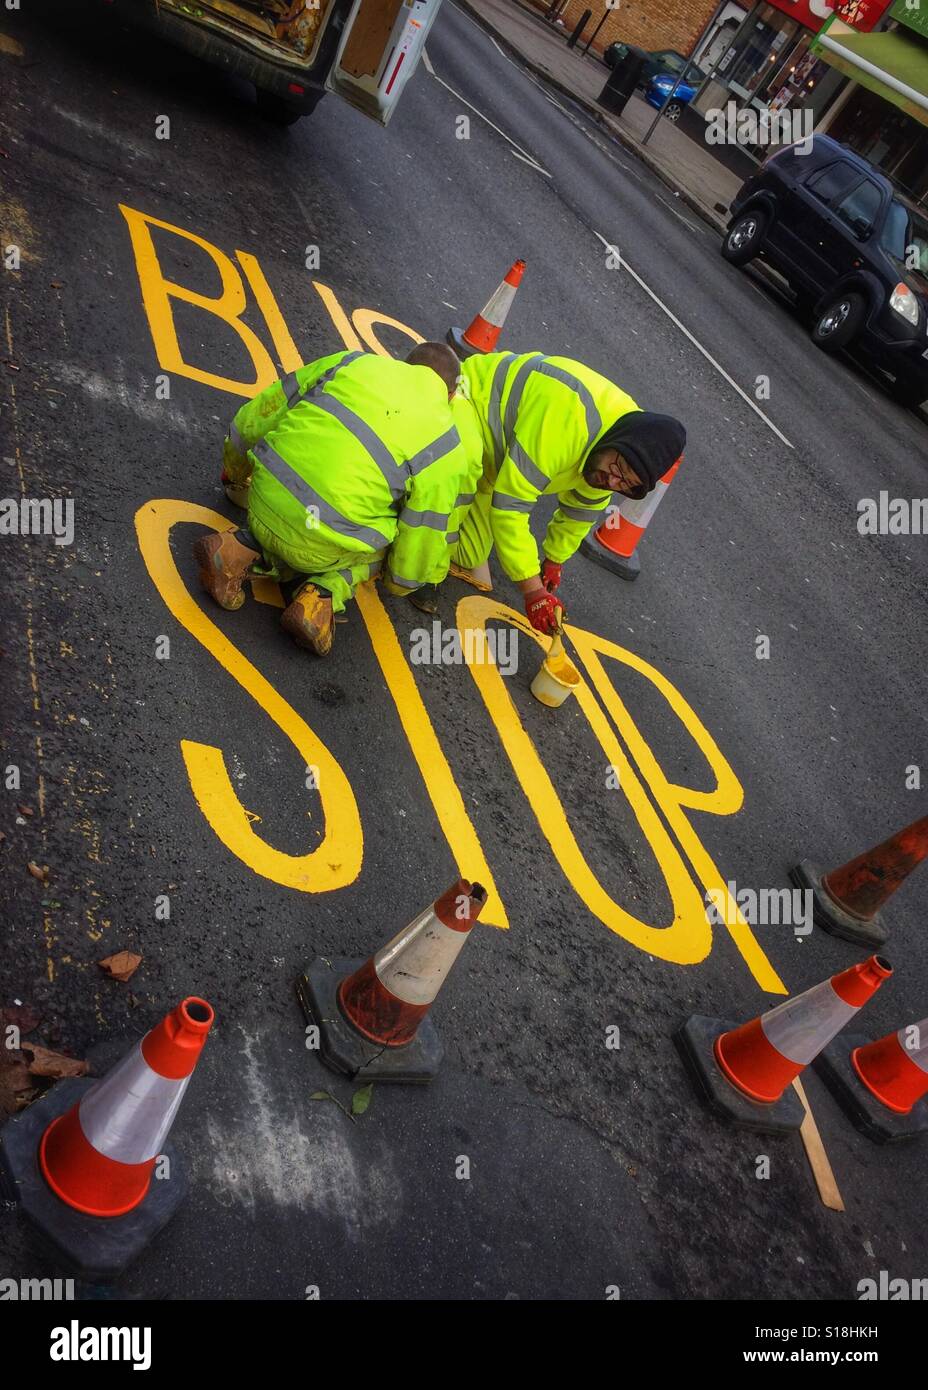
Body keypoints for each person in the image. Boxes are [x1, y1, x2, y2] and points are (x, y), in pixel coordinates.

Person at [196, 342, 478, 654]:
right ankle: (322, 596)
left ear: (403, 364)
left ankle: (238, 548)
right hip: (320, 543)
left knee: (305, 511)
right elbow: (419, 541)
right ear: (451, 396)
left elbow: (264, 409)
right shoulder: (447, 445)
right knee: (391, 540)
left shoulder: (352, 362)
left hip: (263, 498)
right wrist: (399, 584)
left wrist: (235, 470)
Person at [448, 351, 686, 633]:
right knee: (435, 529)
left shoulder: (612, 457)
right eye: (618, 469)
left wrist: (553, 559)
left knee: (468, 555)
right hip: (467, 403)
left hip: (496, 459)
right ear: (618, 442)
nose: (612, 482)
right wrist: (533, 591)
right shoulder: (570, 418)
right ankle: (410, 556)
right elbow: (511, 506)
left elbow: (580, 511)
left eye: (625, 485)